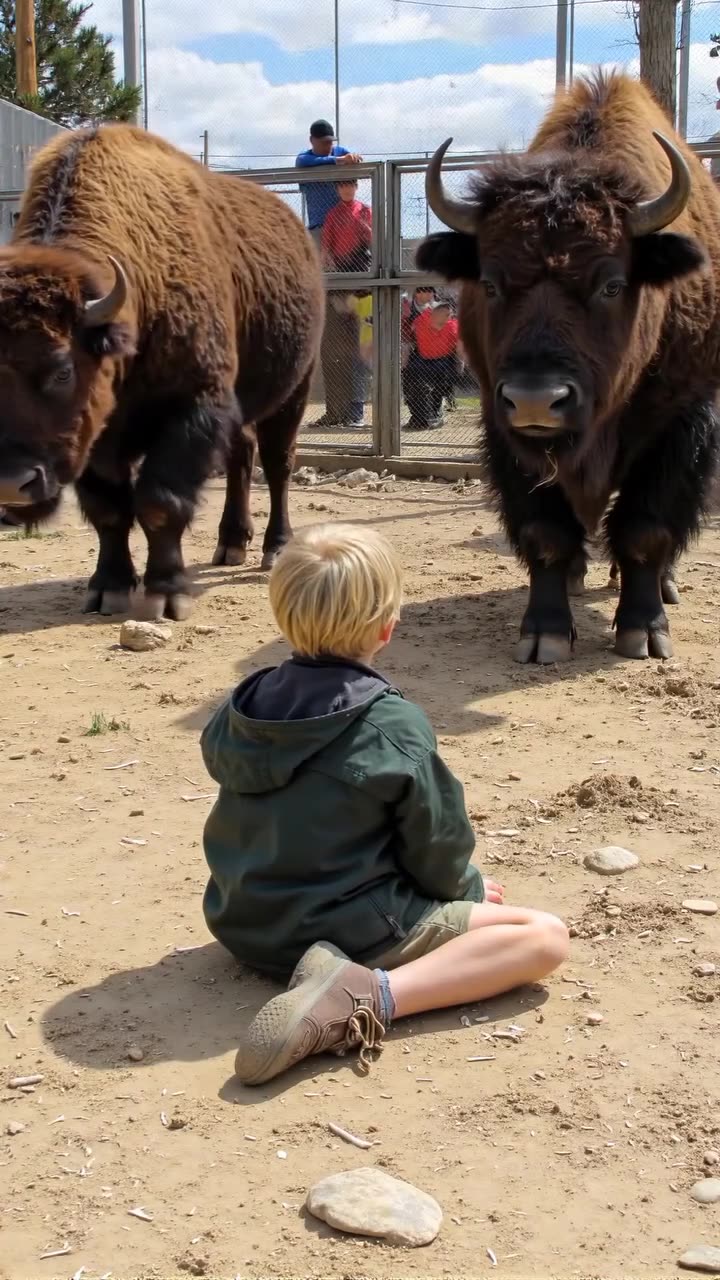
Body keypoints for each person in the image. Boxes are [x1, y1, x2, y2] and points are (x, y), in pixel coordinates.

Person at [200, 523, 570, 1087]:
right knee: (543, 936)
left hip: (244, 924)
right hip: (349, 929)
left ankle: (336, 976)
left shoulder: (241, 706)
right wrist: (465, 889)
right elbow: (438, 843)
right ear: (388, 626)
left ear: (281, 613)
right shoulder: (391, 724)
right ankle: (369, 995)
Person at [319, 178, 373, 428]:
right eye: (342, 186)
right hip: (342, 283)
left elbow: (374, 243)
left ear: (356, 187)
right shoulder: (333, 215)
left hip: (363, 285)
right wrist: (328, 270)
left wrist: (366, 230)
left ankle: (358, 410)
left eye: (350, 185)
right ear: (337, 189)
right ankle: (341, 411)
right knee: (341, 350)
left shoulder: (365, 210)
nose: (347, 189)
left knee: (363, 350)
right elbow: (326, 249)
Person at [295, 120, 363, 250]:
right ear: (312, 140)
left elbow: (353, 158)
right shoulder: (306, 158)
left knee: (350, 267)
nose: (328, 146)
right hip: (320, 225)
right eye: (324, 142)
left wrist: (352, 158)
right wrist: (338, 161)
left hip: (344, 226)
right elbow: (302, 161)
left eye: (330, 142)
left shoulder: (340, 151)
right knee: (324, 267)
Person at [403, 298, 460, 430]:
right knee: (413, 380)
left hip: (444, 360)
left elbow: (459, 349)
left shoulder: (452, 325)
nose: (448, 316)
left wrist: (459, 367)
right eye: (445, 313)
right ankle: (418, 418)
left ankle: (434, 414)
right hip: (422, 359)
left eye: (449, 314)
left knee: (439, 380)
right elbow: (412, 328)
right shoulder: (422, 320)